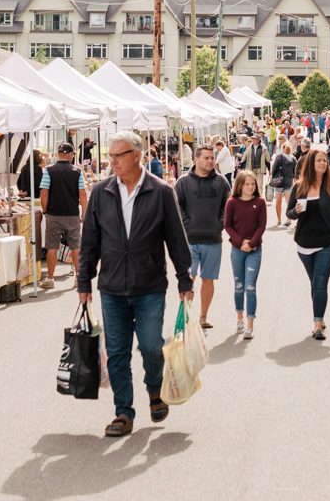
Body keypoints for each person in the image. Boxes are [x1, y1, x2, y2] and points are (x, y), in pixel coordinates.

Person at [76, 130, 193, 438]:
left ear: (137, 156)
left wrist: (184, 278)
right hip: (111, 287)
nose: (111, 161)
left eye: (118, 155)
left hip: (150, 286)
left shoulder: (161, 192)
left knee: (152, 346)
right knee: (116, 352)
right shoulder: (101, 192)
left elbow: (176, 239)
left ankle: (155, 390)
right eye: (110, 156)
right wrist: (83, 279)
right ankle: (123, 412)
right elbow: (90, 241)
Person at [287, 146, 330, 340]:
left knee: (320, 281)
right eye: (319, 160)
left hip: (329, 242)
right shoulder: (299, 186)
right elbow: (289, 213)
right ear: (310, 164)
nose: (323, 163)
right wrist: (296, 211)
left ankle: (317, 324)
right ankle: (319, 317)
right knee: (315, 283)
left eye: (325, 161)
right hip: (305, 243)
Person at [176, 145, 232, 329]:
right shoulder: (183, 182)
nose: (210, 161)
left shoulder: (222, 182)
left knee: (208, 280)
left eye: (212, 158)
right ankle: (184, 315)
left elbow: (228, 205)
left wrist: (220, 223)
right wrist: (187, 223)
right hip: (189, 240)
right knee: (188, 279)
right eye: (206, 158)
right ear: (196, 160)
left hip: (213, 239)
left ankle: (202, 316)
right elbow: (177, 206)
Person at [224, 170, 267, 339]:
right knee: (239, 285)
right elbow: (227, 226)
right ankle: (240, 316)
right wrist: (240, 241)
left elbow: (261, 226)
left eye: (253, 184)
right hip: (237, 249)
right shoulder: (232, 203)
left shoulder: (260, 202)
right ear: (240, 185)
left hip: (254, 249)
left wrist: (251, 243)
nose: (250, 187)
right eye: (247, 184)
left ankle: (250, 322)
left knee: (250, 286)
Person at [39, 145, 88, 290]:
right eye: (73, 154)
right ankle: (78, 278)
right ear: (70, 154)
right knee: (76, 246)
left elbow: (44, 193)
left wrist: (45, 210)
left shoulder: (48, 171)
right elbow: (83, 194)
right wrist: (84, 212)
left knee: (52, 246)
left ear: (59, 154)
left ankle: (51, 278)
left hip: (54, 214)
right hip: (72, 214)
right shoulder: (77, 171)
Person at [269, 141, 298, 228]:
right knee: (289, 202)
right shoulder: (293, 159)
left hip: (279, 182)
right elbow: (295, 172)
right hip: (289, 182)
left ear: (283, 148)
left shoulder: (279, 157)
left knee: (278, 202)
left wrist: (273, 177)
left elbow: (274, 168)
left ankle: (279, 220)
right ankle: (288, 219)